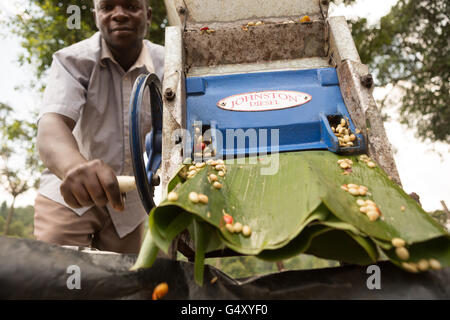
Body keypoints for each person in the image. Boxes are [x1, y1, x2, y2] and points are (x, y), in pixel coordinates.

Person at [34, 0, 164, 254]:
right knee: (62, 281)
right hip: (70, 197)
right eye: (107, 8)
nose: (119, 15)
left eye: (130, 6)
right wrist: (76, 168)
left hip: (129, 206)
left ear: (147, 16)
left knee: (122, 285)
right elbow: (52, 124)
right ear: (96, 16)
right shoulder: (72, 60)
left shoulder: (168, 63)